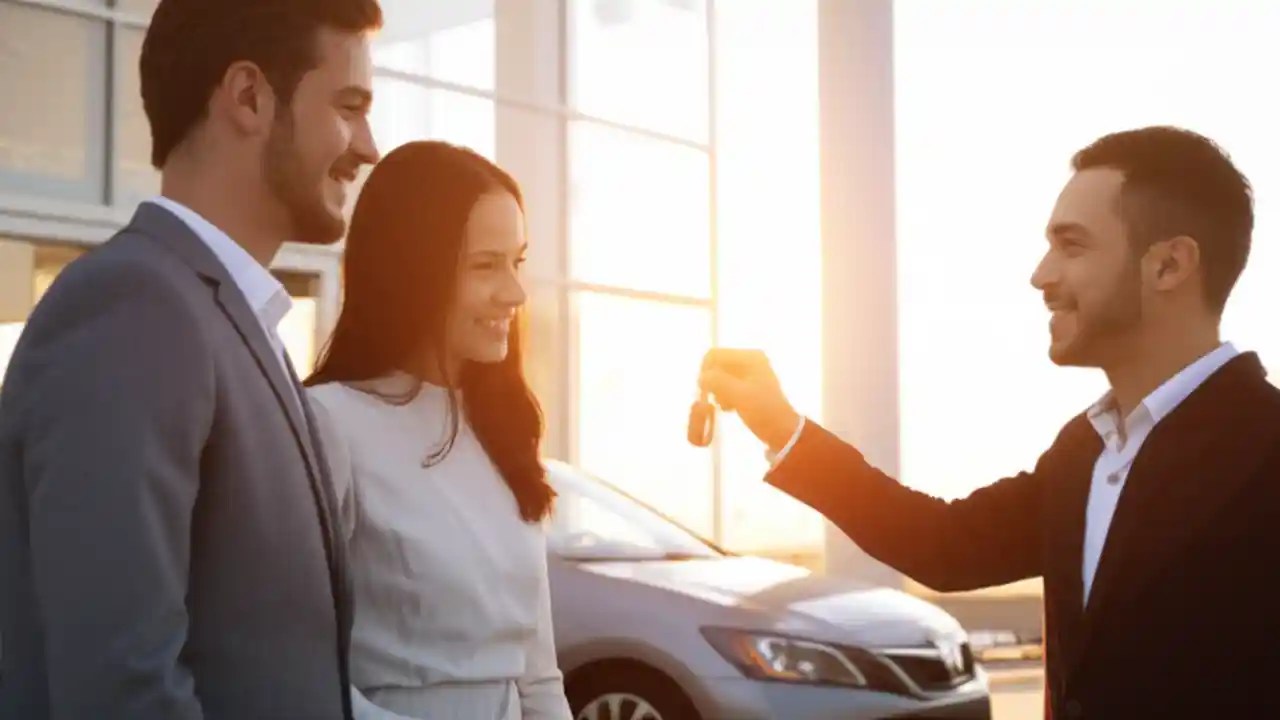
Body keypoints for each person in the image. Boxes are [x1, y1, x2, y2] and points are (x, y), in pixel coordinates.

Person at [699, 126, 1280, 719]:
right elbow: (948, 546)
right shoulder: (1086, 450)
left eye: (1072, 246)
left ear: (1168, 265)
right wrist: (782, 428)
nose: (1041, 275)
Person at [0, 1, 381, 718]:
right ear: (248, 97)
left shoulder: (229, 321)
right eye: (349, 106)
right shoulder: (136, 307)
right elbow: (122, 691)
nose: (369, 146)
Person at [305, 141, 572, 720]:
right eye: (485, 264)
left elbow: (538, 675)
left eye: (517, 262)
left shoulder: (503, 429)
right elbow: (293, 671)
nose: (515, 293)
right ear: (412, 270)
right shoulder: (329, 424)